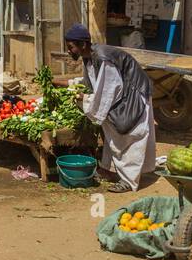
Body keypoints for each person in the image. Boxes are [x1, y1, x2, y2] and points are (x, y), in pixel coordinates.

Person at [64, 23, 156, 193]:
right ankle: (109, 169)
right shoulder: (89, 57)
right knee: (111, 130)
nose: (69, 51)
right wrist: (75, 89)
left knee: (130, 134)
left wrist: (86, 99)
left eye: (71, 47)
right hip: (123, 96)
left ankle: (129, 181)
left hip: (134, 95)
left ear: (83, 45)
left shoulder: (103, 57)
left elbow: (109, 90)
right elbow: (93, 83)